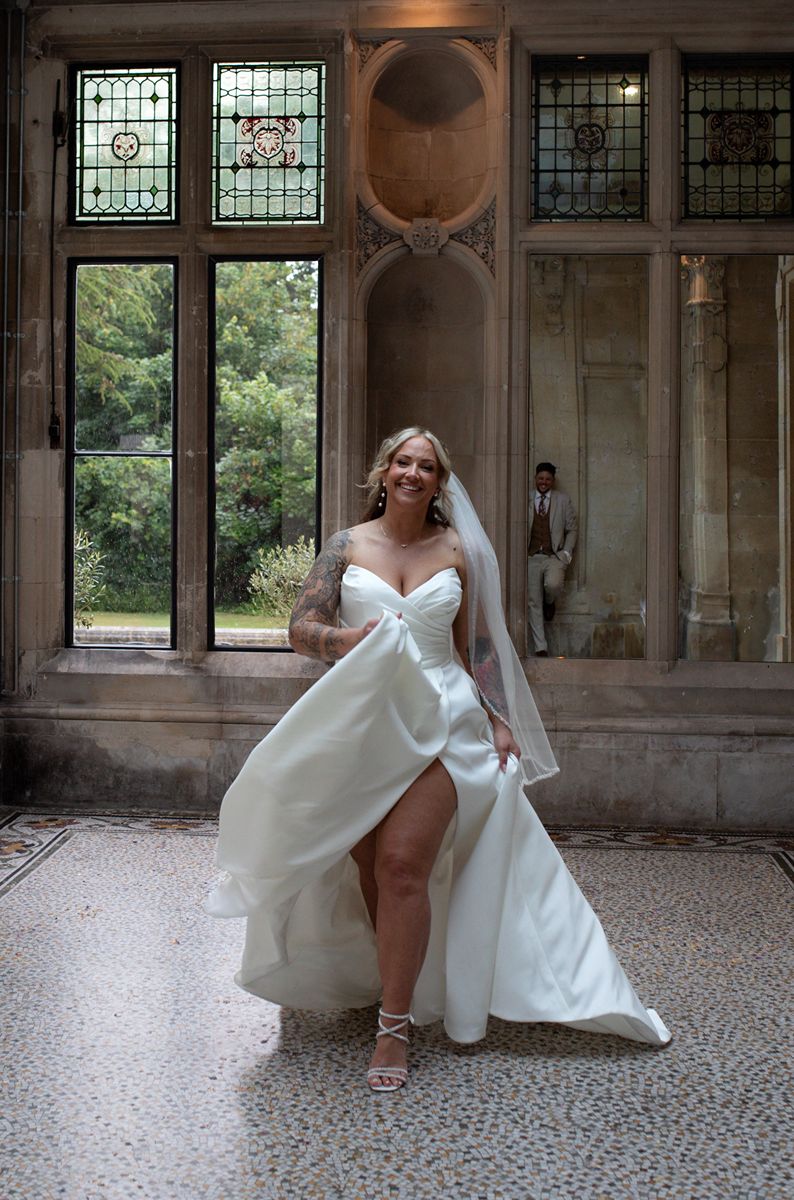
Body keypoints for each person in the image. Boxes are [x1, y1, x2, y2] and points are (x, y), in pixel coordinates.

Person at [205, 429, 670, 1093]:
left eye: (426, 466)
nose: (413, 473)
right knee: (367, 866)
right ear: (384, 472)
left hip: (445, 720)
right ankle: (396, 976)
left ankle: (393, 1028)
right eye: (404, 462)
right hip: (363, 723)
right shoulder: (346, 545)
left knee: (401, 865)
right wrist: (347, 639)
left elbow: (477, 644)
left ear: (439, 480)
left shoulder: (456, 549)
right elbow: (300, 629)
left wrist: (499, 716)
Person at [528, 462, 578, 657]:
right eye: (541, 478)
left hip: (554, 556)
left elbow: (572, 529)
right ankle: (541, 646)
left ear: (553, 481)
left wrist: (566, 553)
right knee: (533, 601)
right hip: (531, 557)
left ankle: (550, 601)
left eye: (548, 479)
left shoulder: (563, 500)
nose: (544, 482)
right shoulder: (527, 498)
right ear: (535, 479)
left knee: (554, 585)